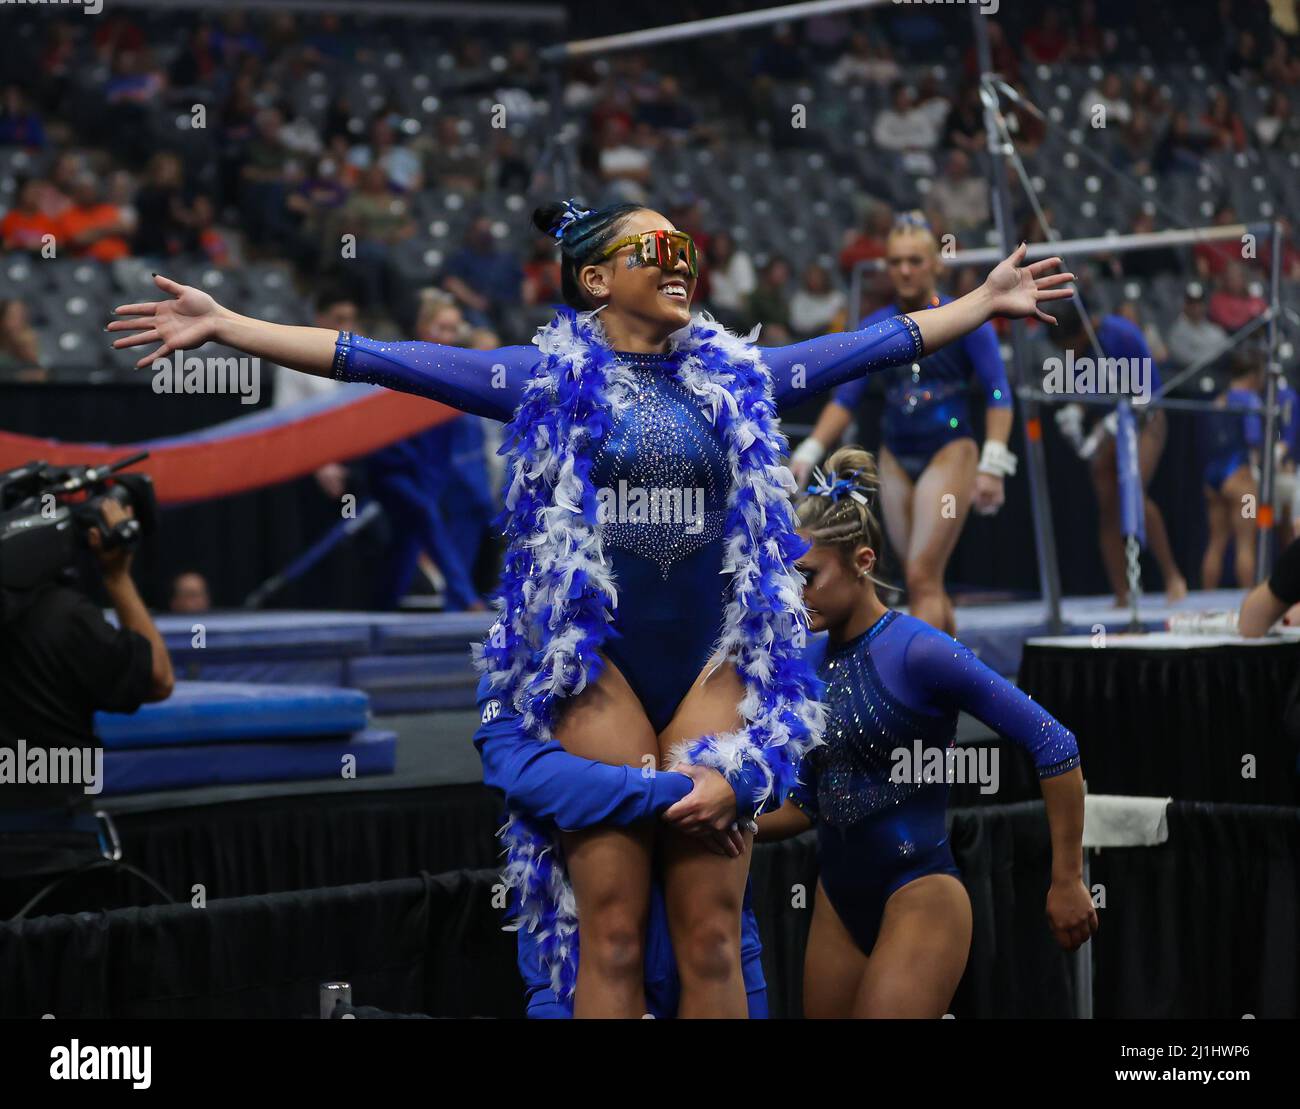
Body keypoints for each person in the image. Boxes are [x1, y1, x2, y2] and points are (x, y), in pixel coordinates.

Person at [108, 198, 1071, 1018]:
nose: (679, 263)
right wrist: (229, 324)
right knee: (607, 938)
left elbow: (873, 342)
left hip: (711, 669)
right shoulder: (544, 379)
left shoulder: (737, 377)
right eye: (654, 251)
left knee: (709, 935)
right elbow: (379, 358)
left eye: (685, 249)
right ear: (596, 281)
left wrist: (983, 302)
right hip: (597, 669)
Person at [757, 447, 1096, 1017]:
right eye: (787, 578)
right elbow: (809, 804)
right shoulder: (807, 661)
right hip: (838, 901)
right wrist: (728, 821)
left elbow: (1055, 744)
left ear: (863, 561)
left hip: (920, 894)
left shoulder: (919, 650)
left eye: (808, 576)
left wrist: (1067, 879)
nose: (795, 594)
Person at [791, 213, 1017, 634]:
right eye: (895, 262)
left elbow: (998, 393)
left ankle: (920, 691)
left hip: (950, 449)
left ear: (936, 264)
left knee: (920, 574)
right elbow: (847, 398)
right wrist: (808, 450)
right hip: (896, 455)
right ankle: (951, 681)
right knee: (920, 580)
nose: (905, 271)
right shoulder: (875, 326)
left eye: (915, 261)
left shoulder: (966, 316)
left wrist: (992, 463)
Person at [1048, 300, 1188, 607]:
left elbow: (1149, 391)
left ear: (1085, 328)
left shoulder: (1122, 334)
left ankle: (1172, 577)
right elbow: (1086, 387)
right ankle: (1122, 592)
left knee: (1133, 493)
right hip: (1107, 425)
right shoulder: (1074, 348)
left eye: (1072, 344)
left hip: (1144, 418)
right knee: (1108, 505)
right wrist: (1075, 410)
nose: (1069, 351)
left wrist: (1119, 418)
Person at [1201, 350, 1264, 589]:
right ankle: (1252, 600)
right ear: (1254, 375)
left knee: (1216, 542)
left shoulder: (1220, 400)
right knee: (1246, 543)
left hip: (1213, 479)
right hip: (1241, 480)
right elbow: (1253, 440)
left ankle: (1206, 600)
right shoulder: (1250, 401)